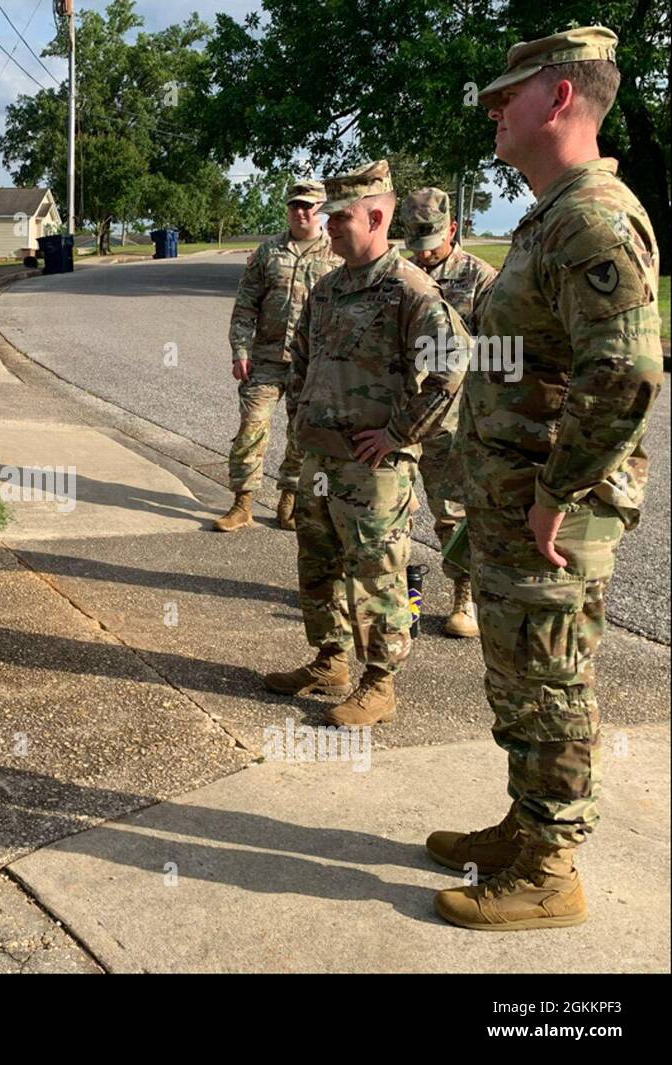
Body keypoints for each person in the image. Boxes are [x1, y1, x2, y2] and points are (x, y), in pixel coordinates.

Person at [429, 26, 662, 931]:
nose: (493, 108)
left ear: (559, 97)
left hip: (550, 514)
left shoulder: (592, 218)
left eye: (507, 94)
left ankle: (552, 872)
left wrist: (558, 492)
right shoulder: (551, 213)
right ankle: (528, 831)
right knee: (523, 682)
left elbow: (631, 371)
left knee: (553, 686)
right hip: (514, 501)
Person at [264, 160, 469, 726]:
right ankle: (330, 661)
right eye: (327, 215)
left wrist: (400, 434)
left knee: (378, 571)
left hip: (373, 468)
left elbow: (452, 366)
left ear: (377, 216)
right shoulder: (328, 289)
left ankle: (380, 683)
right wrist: (305, 418)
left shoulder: (409, 289)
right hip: (320, 458)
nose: (329, 225)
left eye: (342, 216)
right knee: (319, 564)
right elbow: (302, 360)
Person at [398, 187, 499, 638]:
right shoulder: (395, 273)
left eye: (431, 243)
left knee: (451, 511)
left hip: (451, 419)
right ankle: (387, 591)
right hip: (398, 413)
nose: (423, 254)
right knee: (386, 504)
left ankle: (466, 594)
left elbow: (504, 356)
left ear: (453, 229)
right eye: (414, 243)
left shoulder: (480, 279)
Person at [215, 180, 339, 532]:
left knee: (302, 435)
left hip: (312, 363)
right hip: (266, 360)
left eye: (309, 206)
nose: (301, 212)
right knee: (251, 429)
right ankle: (242, 503)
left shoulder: (336, 253)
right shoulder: (268, 252)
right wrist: (240, 349)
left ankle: (290, 500)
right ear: (287, 209)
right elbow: (245, 307)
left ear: (321, 211)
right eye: (295, 205)